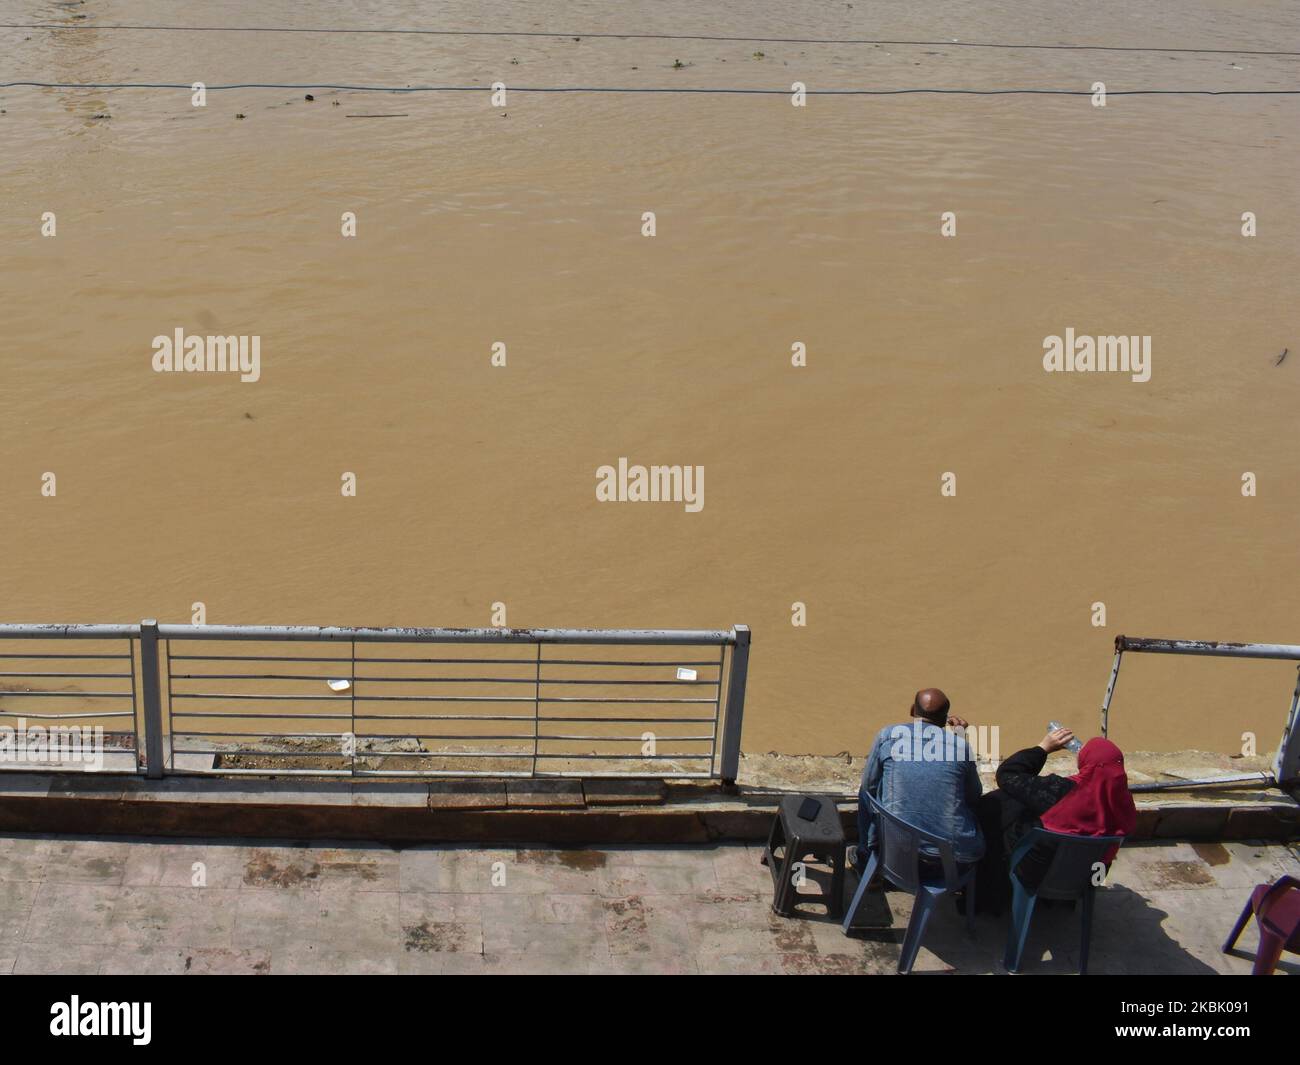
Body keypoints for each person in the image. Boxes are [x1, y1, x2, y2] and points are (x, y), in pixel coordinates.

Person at [975, 729, 1137, 914]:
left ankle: (991, 892)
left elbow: (1007, 775)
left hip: (1037, 876)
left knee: (1000, 812)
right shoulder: (1125, 804)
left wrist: (1043, 748)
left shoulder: (1060, 791)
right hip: (1089, 878)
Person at [856, 687, 985, 877]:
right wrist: (958, 738)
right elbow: (974, 794)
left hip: (897, 858)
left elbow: (869, 787)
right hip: (952, 866)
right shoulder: (961, 747)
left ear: (911, 710)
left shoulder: (888, 735)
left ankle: (866, 858)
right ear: (944, 719)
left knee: (866, 791)